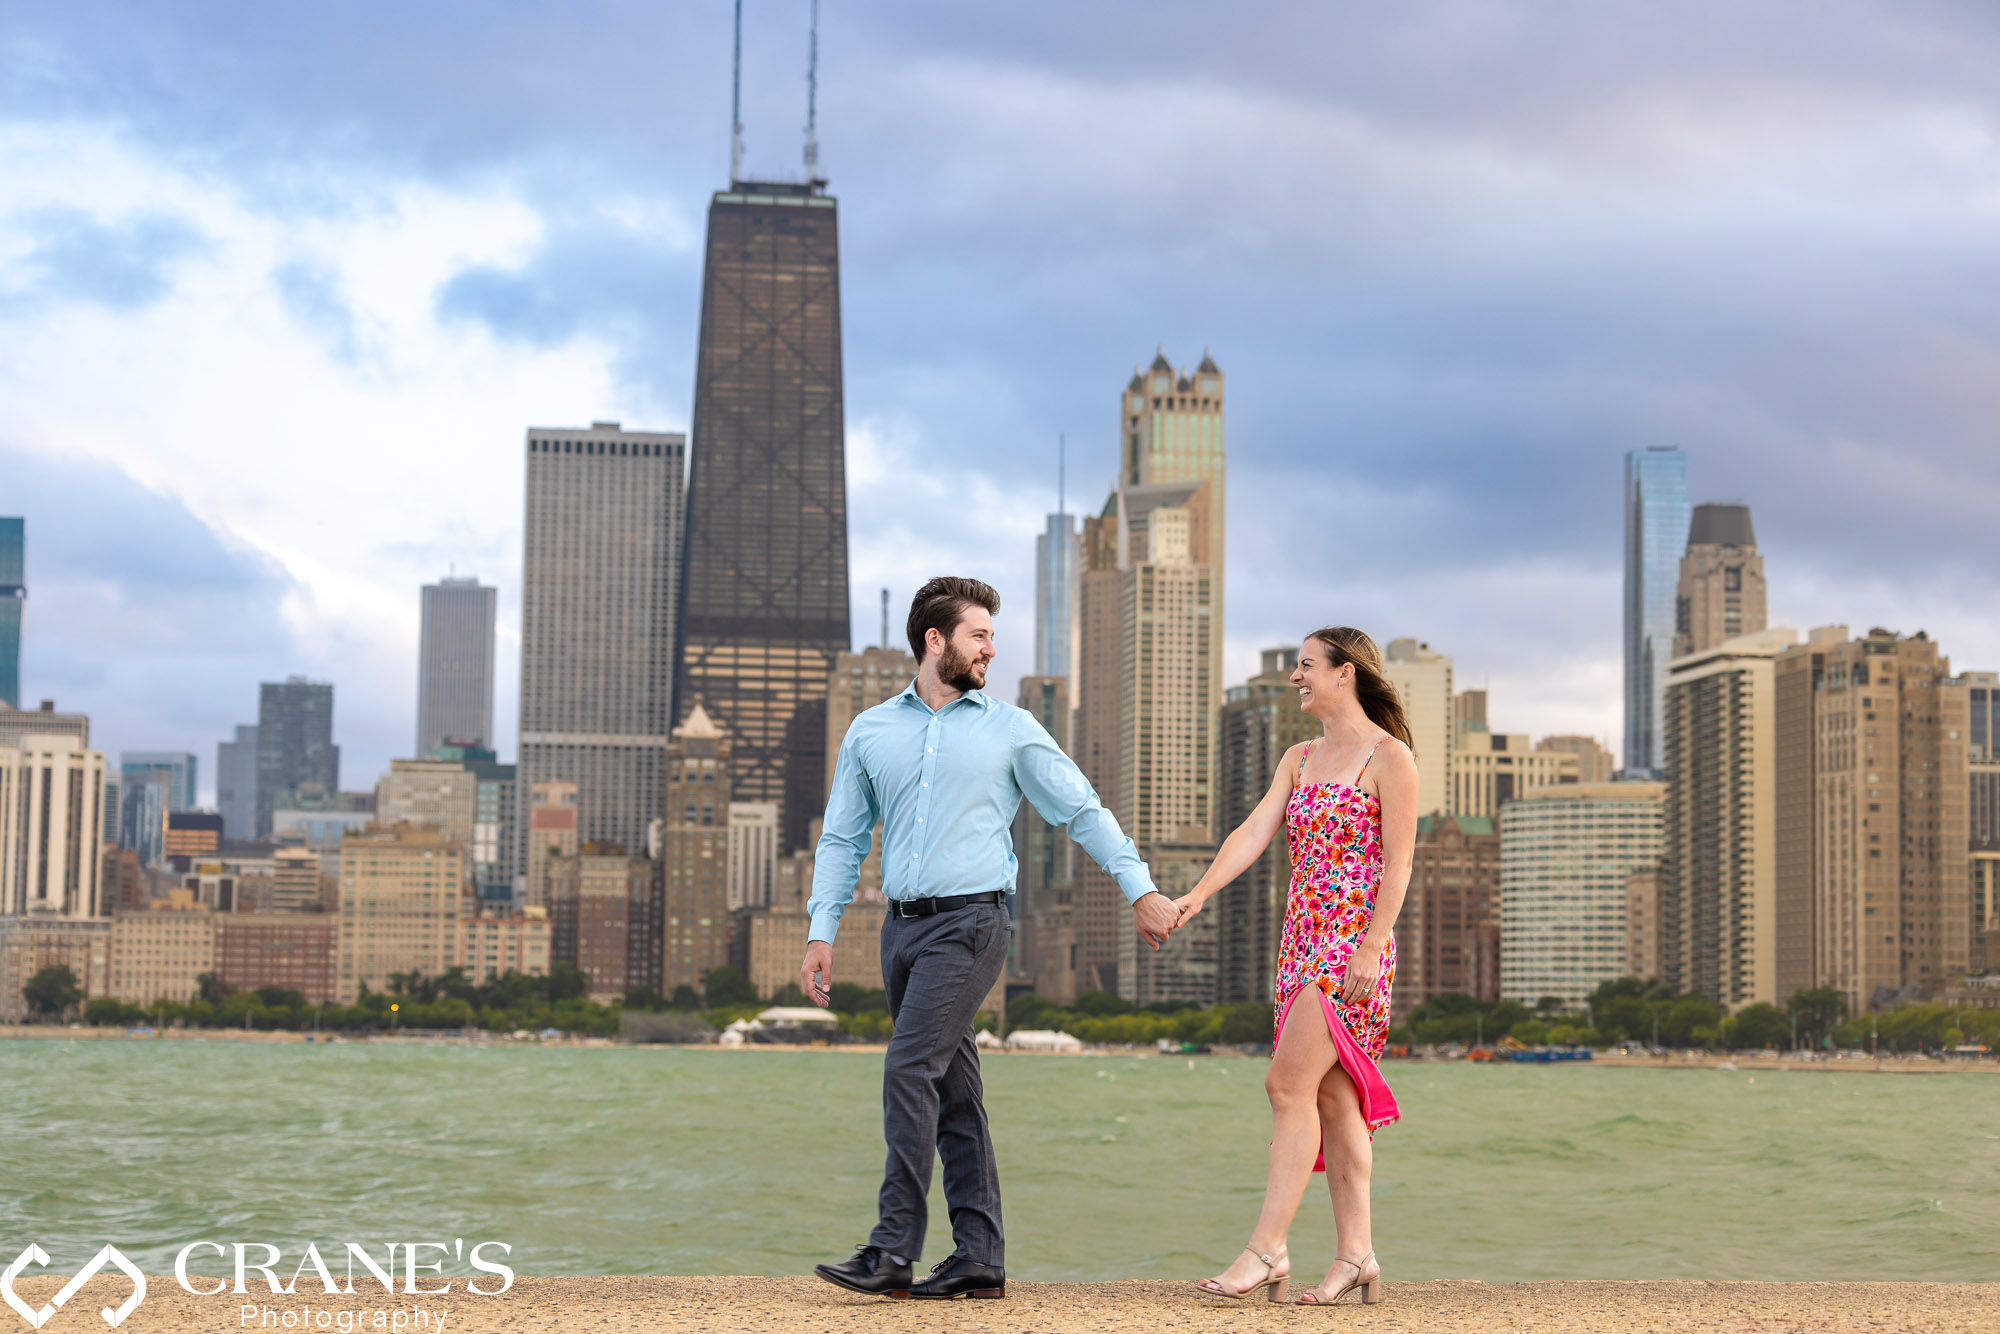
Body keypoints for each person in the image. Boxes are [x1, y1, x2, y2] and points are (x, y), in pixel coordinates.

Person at [803, 576, 1179, 1301]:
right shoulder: (871, 730)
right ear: (934, 641)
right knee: (952, 1093)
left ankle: (891, 1251)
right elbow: (843, 838)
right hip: (900, 933)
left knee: (908, 1069)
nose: (990, 648)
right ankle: (979, 1255)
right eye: (979, 635)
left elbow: (1082, 810)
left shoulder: (1011, 727)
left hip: (972, 924)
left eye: (991, 637)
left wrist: (1142, 889)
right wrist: (824, 929)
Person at [1170, 626, 1417, 1307]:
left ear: (1346, 673)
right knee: (1335, 1102)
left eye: (1306, 666)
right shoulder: (1300, 758)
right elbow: (1252, 832)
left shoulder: (1390, 758)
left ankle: (1267, 1247)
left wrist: (1372, 945)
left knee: (1286, 1087)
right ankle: (1357, 1255)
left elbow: (1398, 861)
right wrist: (1195, 896)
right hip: (1300, 943)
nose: (1296, 677)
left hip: (1352, 946)